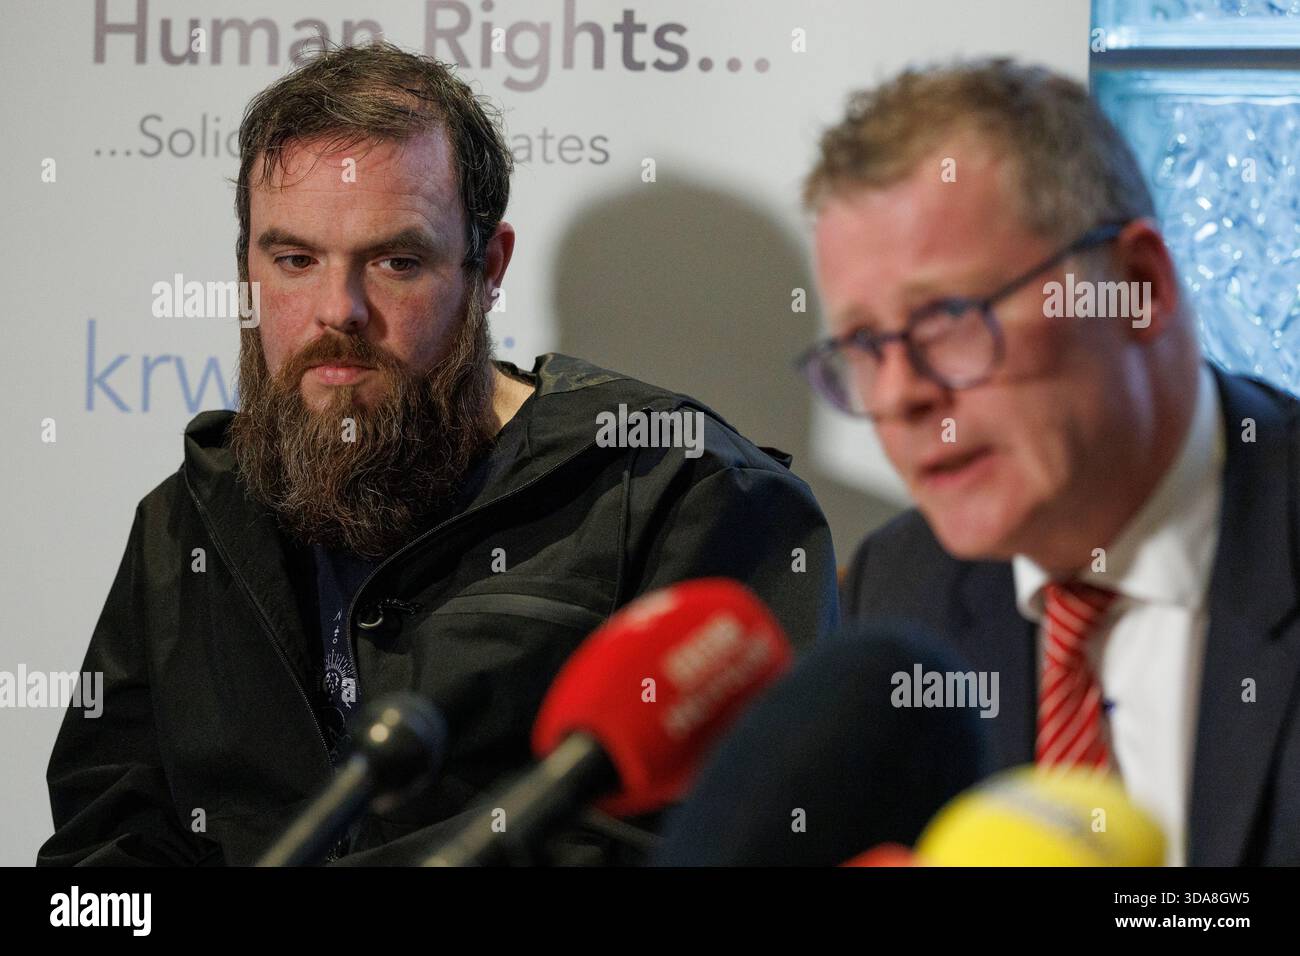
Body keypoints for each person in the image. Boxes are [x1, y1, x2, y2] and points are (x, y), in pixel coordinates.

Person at [39, 42, 837, 866]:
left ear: (486, 268)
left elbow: (739, 838)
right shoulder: (188, 522)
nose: (338, 310)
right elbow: (100, 859)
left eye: (396, 261)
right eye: (295, 260)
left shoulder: (680, 490)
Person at [802, 59, 1300, 866]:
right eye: (863, 344)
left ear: (1137, 286)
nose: (898, 396)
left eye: (948, 317)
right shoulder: (900, 593)